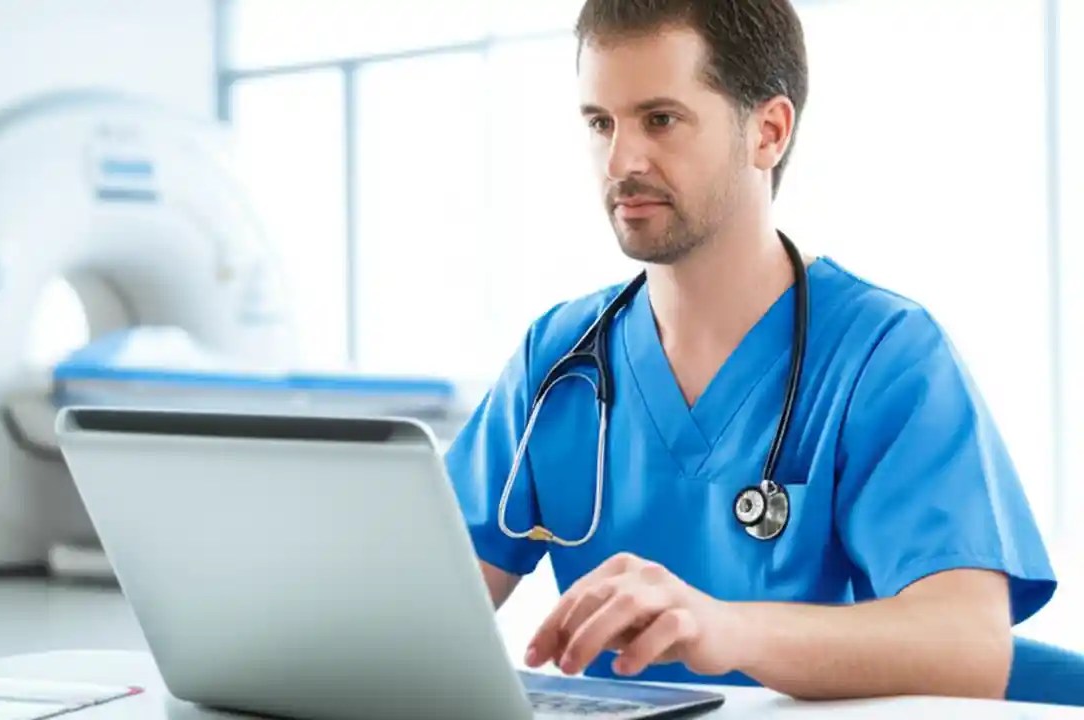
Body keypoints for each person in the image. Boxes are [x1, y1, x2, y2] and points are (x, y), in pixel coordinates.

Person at [443, 0, 1057, 702]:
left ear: (768, 131)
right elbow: (412, 609)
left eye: (660, 120)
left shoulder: (882, 355)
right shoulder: (557, 359)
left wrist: (724, 628)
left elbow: (965, 643)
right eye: (600, 123)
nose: (620, 162)